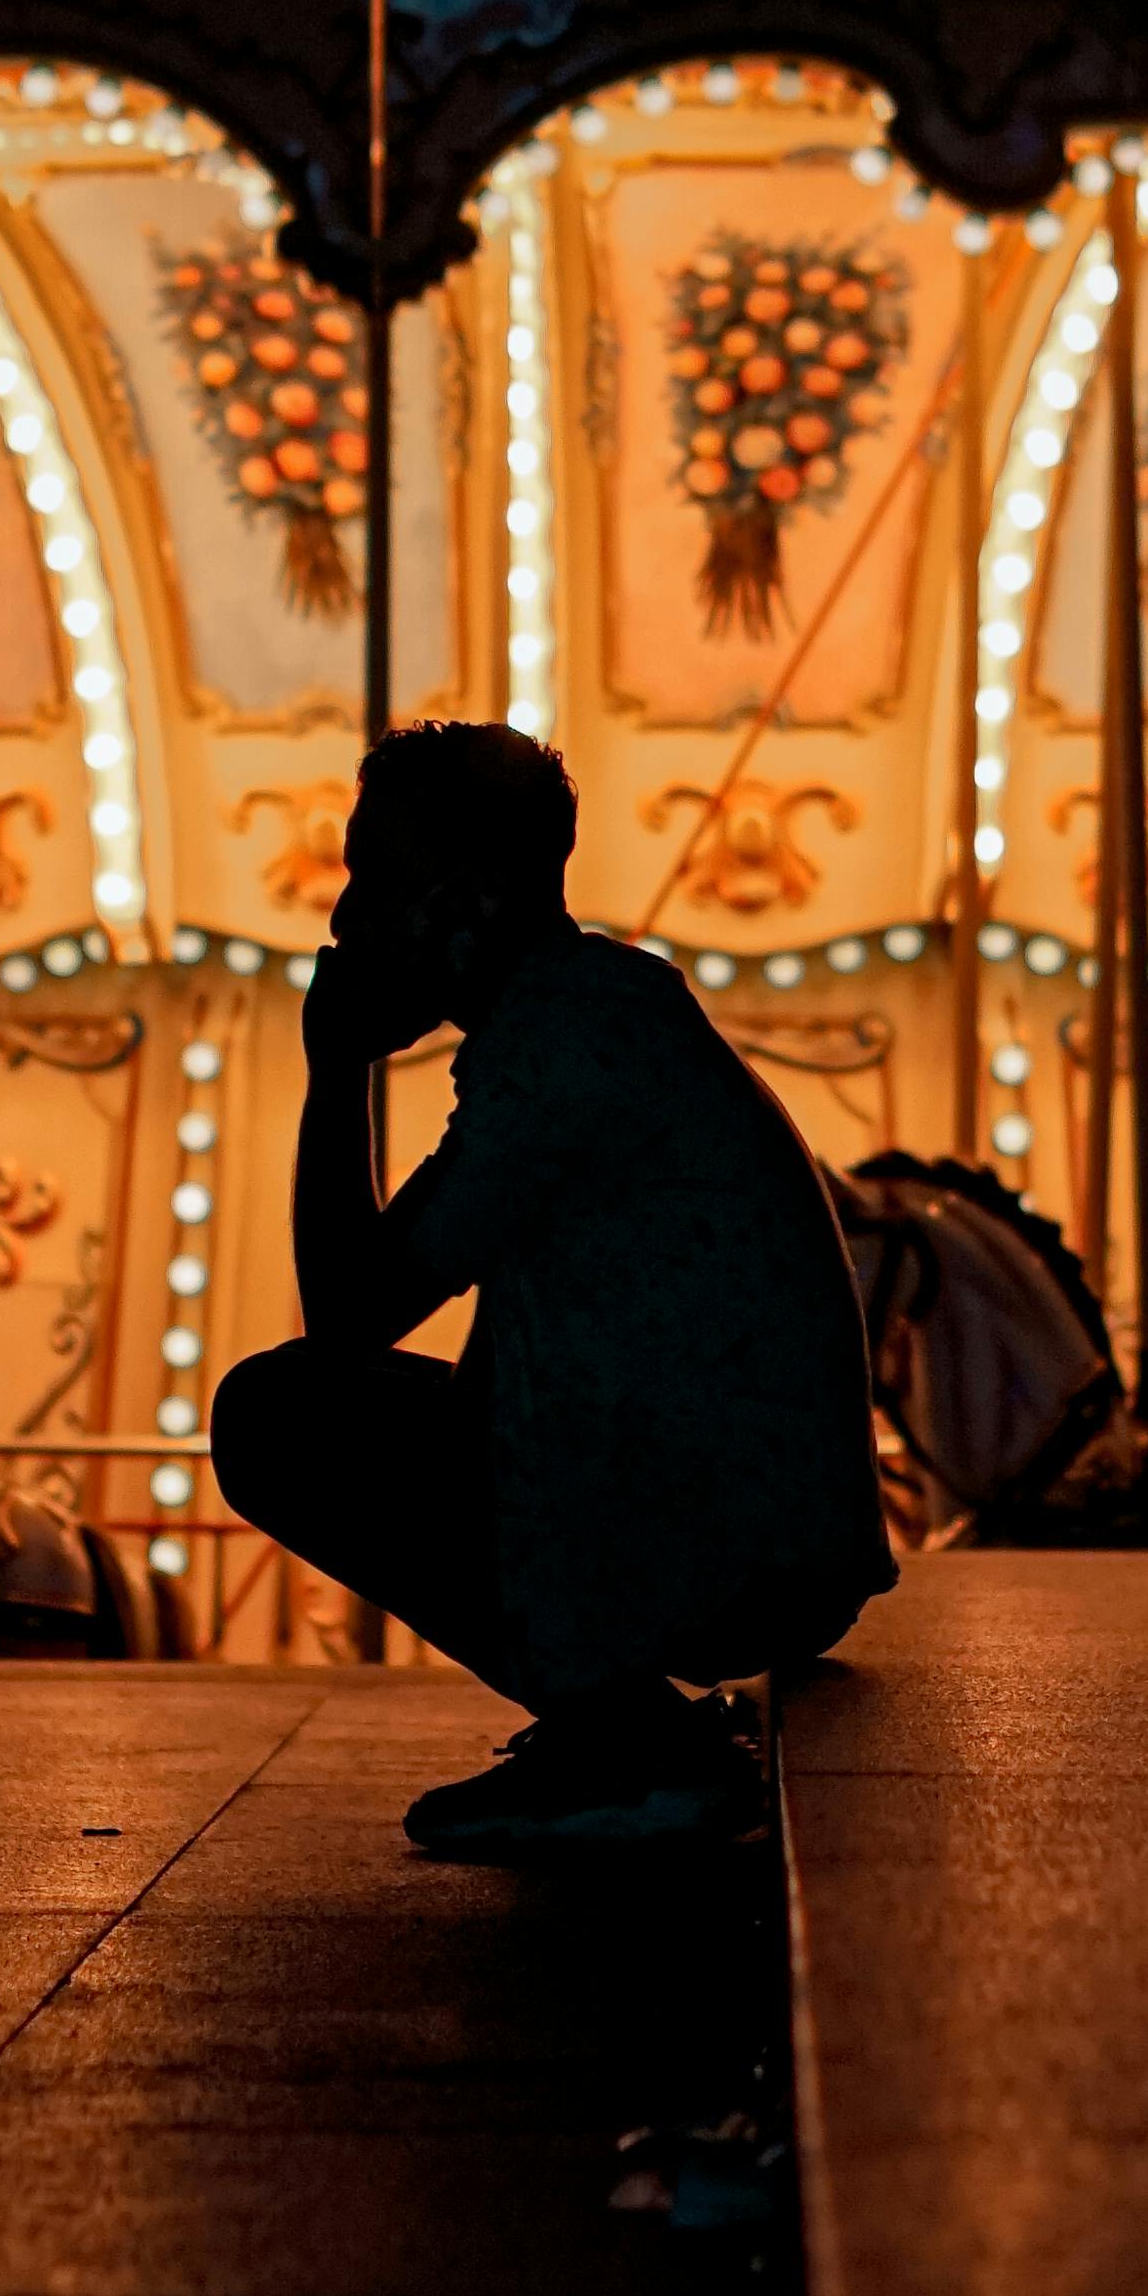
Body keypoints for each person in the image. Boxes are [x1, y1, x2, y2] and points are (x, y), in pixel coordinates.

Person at [210, 721, 892, 1850]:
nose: (344, 920)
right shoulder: (587, 1018)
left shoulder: (568, 1045)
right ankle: (608, 1723)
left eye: (375, 876)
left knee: (277, 1418)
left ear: (469, 893)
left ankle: (628, 1741)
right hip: (766, 1524)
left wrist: (335, 1067)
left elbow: (350, 1311)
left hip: (738, 1544)